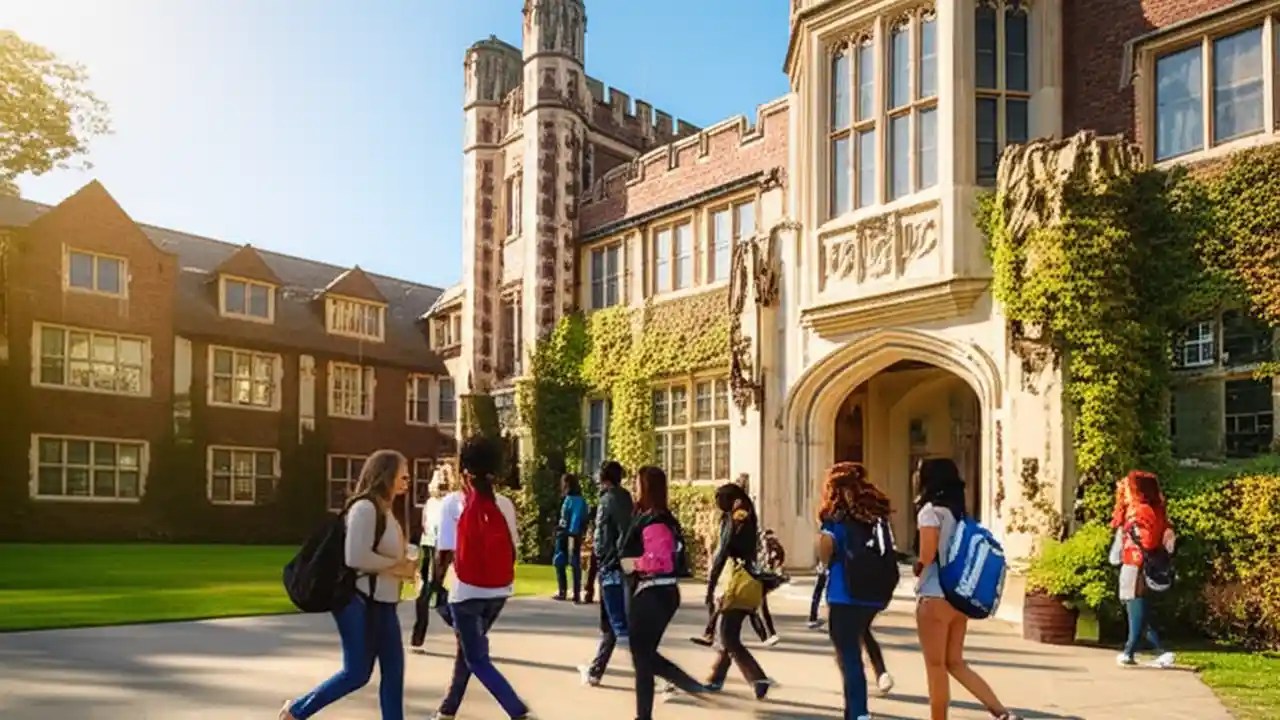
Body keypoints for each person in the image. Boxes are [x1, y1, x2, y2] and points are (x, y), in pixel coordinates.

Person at [282, 450, 418, 720]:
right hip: (359, 601)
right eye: (403, 474)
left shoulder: (386, 510)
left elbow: (383, 555)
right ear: (386, 474)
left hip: (384, 602)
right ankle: (296, 711)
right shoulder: (364, 508)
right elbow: (356, 557)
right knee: (356, 673)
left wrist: (404, 566)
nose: (408, 479)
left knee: (393, 672)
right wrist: (397, 566)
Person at [429, 435, 531, 720]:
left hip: (465, 592)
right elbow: (513, 550)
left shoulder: (453, 504)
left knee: (476, 658)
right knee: (467, 649)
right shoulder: (505, 505)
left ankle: (518, 711)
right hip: (498, 591)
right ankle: (447, 710)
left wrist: (434, 587)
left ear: (464, 470)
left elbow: (444, 554)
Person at [914, 458, 1020, 720]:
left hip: (933, 595)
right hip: (958, 595)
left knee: (935, 665)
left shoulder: (929, 512)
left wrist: (917, 567)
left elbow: (927, 553)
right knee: (956, 662)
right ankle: (1000, 712)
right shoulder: (959, 514)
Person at [621, 465, 709, 719]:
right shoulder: (652, 516)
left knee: (642, 656)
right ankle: (678, 689)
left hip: (654, 593)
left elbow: (661, 561)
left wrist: (633, 564)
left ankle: (683, 685)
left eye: (637, 483)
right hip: (655, 593)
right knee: (643, 656)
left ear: (647, 487)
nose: (634, 487)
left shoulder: (656, 519)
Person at [816, 462, 897, 720]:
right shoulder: (875, 516)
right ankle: (854, 711)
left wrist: (824, 562)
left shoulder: (835, 517)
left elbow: (826, 548)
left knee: (849, 655)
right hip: (874, 595)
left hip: (844, 594)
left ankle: (859, 713)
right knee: (854, 646)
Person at [700, 483, 771, 699]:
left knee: (729, 635)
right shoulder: (746, 513)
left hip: (735, 582)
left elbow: (723, 551)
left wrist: (711, 584)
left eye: (719, 498)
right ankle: (716, 678)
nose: (717, 503)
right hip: (747, 579)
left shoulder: (735, 517)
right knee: (728, 632)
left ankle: (757, 678)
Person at [1113, 470, 1176, 669]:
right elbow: (1167, 540)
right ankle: (1139, 651)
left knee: (1134, 605)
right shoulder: (1157, 509)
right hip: (1143, 563)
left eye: (1127, 486)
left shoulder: (1138, 511)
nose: (1123, 488)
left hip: (1135, 563)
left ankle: (1135, 650)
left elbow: (1144, 540)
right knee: (1137, 610)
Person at [578, 460, 633, 687]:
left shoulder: (611, 500)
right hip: (611, 566)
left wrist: (609, 562)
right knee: (611, 624)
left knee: (619, 625)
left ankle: (658, 672)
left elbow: (616, 535)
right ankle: (596, 669)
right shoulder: (619, 498)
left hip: (612, 568)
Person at [410, 473, 449, 649]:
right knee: (426, 589)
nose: (441, 486)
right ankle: (418, 637)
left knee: (436, 588)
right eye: (439, 482)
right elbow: (425, 524)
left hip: (443, 548)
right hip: (428, 545)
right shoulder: (431, 503)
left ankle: (461, 629)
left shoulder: (451, 503)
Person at [552, 473, 590, 603]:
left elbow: (567, 518)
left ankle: (563, 590)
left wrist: (563, 530)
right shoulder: (581, 500)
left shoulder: (569, 500)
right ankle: (576, 593)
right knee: (575, 563)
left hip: (566, 533)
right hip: (576, 533)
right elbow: (585, 517)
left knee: (560, 560)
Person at [808, 562, 829, 630]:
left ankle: (813, 618)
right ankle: (813, 618)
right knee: (819, 594)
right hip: (826, 570)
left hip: (824, 569)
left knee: (818, 594)